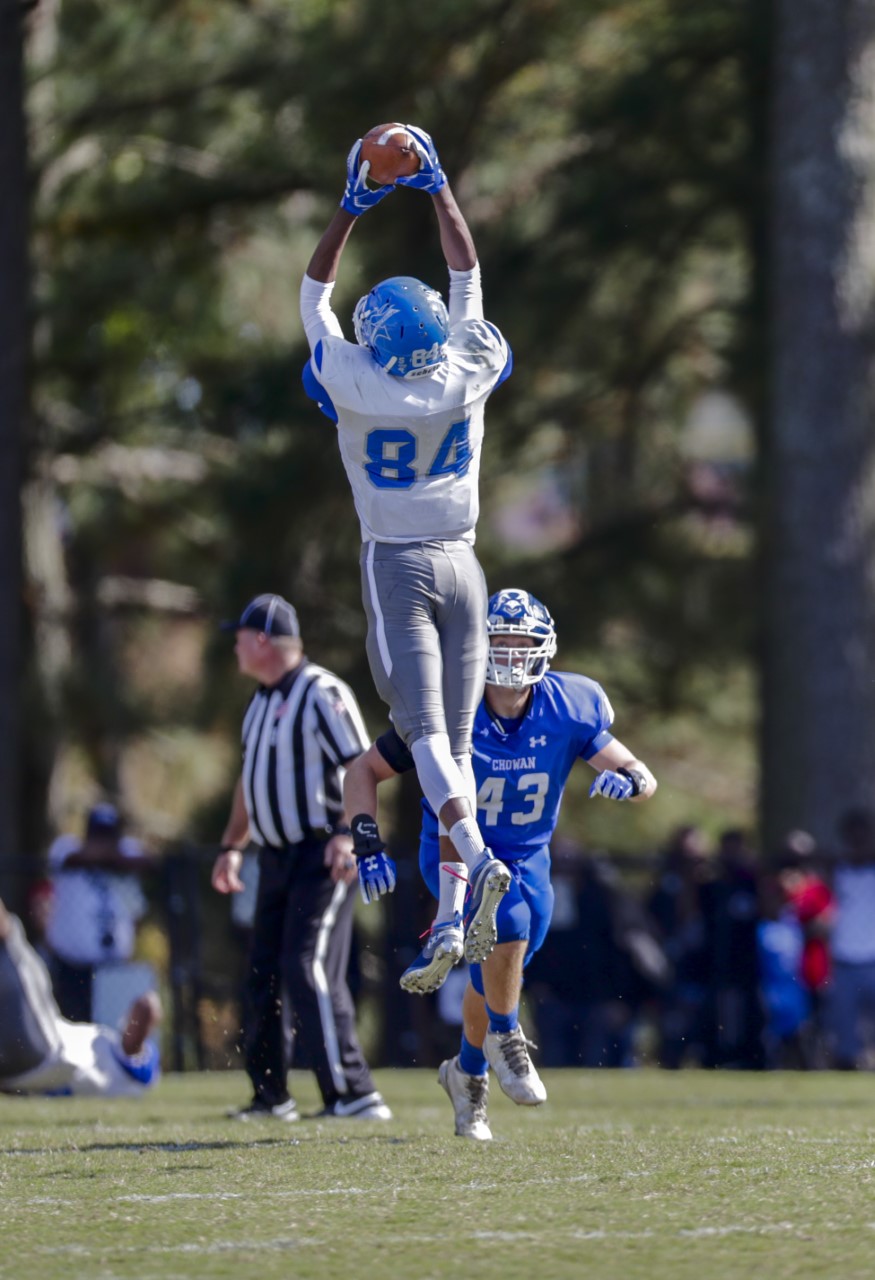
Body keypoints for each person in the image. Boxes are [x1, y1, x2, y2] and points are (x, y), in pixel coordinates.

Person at [299, 125, 514, 967]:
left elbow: (313, 300)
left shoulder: (355, 383)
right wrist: (438, 189)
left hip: (399, 566)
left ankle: (480, 858)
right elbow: (467, 278)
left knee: (423, 736)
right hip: (464, 563)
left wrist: (350, 209)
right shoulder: (468, 369)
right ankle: (455, 915)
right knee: (451, 750)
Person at [343, 588, 657, 1139]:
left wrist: (629, 781)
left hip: (531, 855)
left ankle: (467, 1073)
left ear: (545, 647)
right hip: (456, 851)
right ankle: (507, 1038)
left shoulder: (569, 705)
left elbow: (641, 773)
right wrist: (366, 842)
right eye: (500, 642)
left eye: (522, 643)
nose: (511, 655)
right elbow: (361, 771)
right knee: (506, 925)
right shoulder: (447, 709)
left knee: (495, 969)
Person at [210, 593, 390, 1122]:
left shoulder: (321, 692)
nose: (235, 647)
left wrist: (348, 834)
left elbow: (360, 765)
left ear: (262, 639)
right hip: (274, 857)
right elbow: (250, 782)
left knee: (307, 964)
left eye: (240, 637)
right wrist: (232, 847)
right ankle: (271, 1095)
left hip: (321, 853)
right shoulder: (260, 702)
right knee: (263, 971)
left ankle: (352, 1091)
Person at [0, 895, 161, 1097]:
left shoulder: (118, 1073)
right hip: (29, 1066)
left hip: (48, 1051)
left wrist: (143, 1015)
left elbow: (147, 1008)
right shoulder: (103, 1059)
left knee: (10, 943)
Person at [44, 802, 154, 1022]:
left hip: (115, 968)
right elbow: (75, 857)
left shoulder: (126, 854)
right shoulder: (65, 847)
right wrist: (108, 857)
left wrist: (112, 858)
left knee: (114, 1029)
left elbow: (149, 860)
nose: (102, 844)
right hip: (71, 966)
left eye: (107, 837)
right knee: (72, 1026)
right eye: (97, 836)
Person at [826, 808, 875, 1069]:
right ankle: (848, 1065)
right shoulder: (835, 872)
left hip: (873, 958)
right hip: (843, 960)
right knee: (844, 1023)